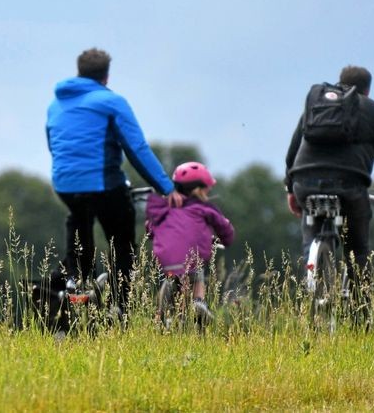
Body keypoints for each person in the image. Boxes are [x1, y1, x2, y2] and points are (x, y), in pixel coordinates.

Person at [45, 48, 182, 313]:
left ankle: (77, 282)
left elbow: (54, 144)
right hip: (102, 182)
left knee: (79, 218)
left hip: (64, 182)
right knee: (120, 234)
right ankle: (120, 306)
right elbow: (136, 148)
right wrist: (166, 186)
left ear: (79, 71)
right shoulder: (112, 102)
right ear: (106, 77)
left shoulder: (55, 105)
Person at [284, 65, 374, 276]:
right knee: (356, 253)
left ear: (340, 82)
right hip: (349, 188)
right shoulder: (373, 110)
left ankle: (311, 275)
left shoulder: (317, 105)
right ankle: (359, 307)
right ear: (367, 91)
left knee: (310, 234)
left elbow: (293, 149)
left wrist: (290, 189)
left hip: (305, 182)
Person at [145, 162, 235, 321]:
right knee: (197, 274)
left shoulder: (166, 207)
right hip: (191, 260)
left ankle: (160, 315)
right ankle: (198, 303)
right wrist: (226, 239)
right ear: (200, 190)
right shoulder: (204, 208)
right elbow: (224, 227)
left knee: (167, 278)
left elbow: (151, 228)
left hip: (166, 260)